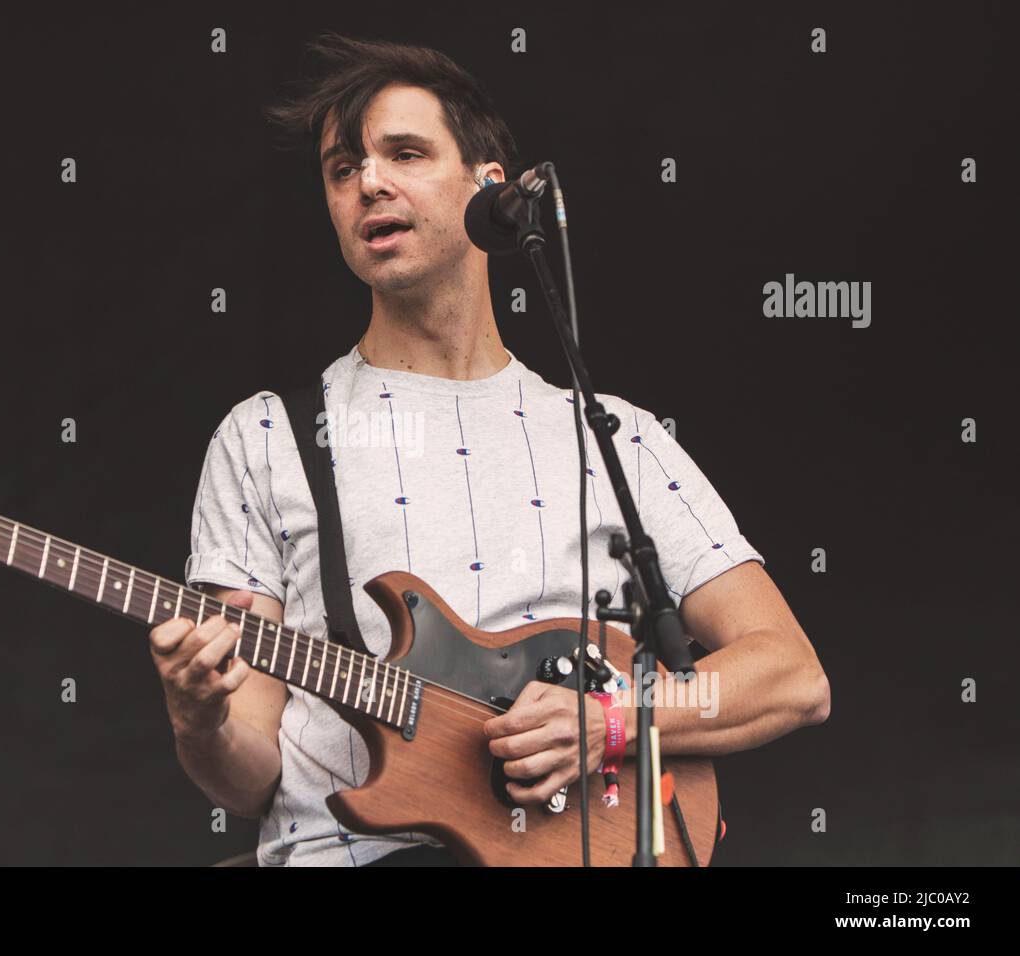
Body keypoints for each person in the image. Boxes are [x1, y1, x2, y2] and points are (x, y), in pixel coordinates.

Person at [148, 33, 830, 867]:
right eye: (341, 168)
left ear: (490, 187)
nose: (369, 182)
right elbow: (249, 778)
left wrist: (615, 722)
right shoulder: (266, 438)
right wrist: (199, 719)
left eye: (404, 153)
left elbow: (793, 676)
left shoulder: (612, 433)